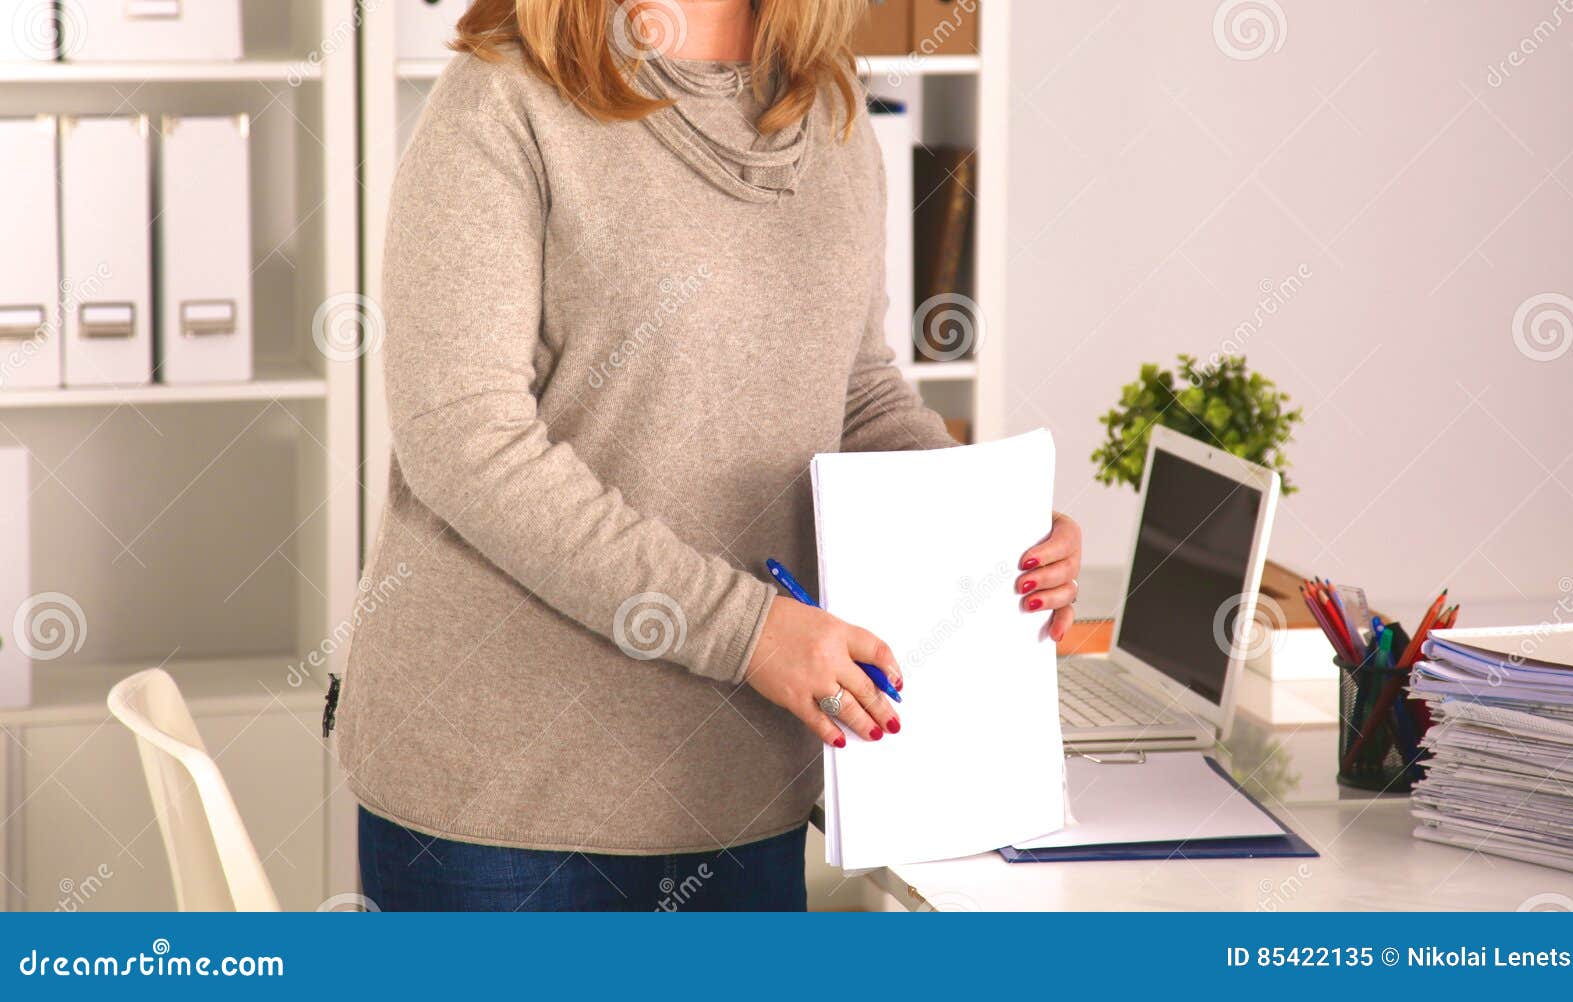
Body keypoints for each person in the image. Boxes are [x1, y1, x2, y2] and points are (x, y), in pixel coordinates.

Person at [335, 0, 1082, 912]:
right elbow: (465, 440)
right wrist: (747, 631)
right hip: (504, 802)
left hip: (738, 782)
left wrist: (994, 526)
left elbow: (856, 393)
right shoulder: (502, 100)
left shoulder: (832, 113)